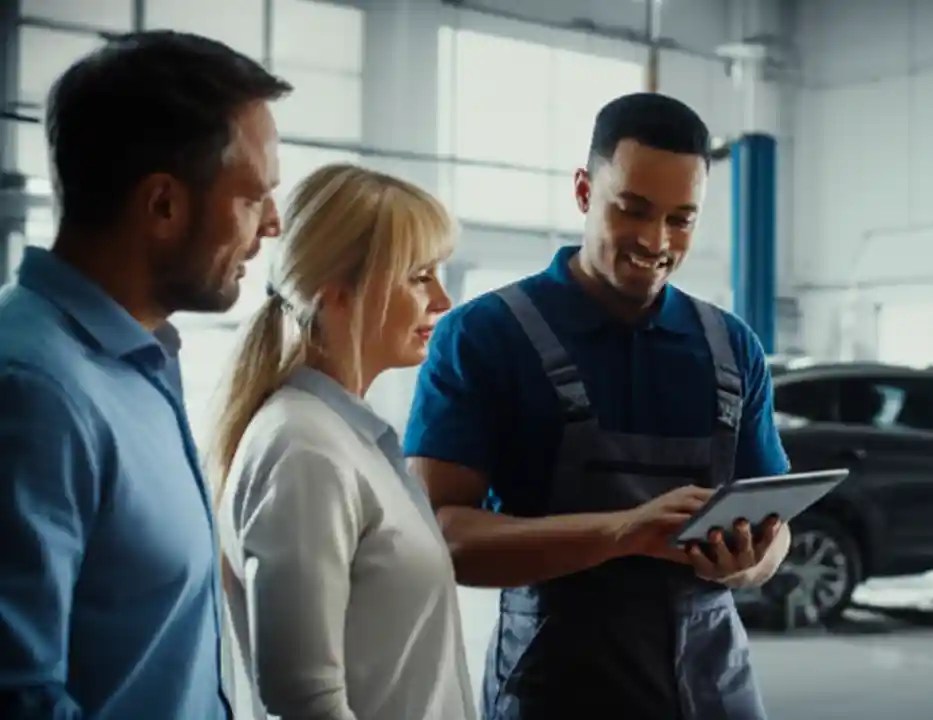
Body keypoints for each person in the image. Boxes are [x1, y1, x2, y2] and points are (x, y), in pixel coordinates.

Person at [405, 92, 793, 720]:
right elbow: (440, 536)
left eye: (681, 220)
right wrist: (623, 532)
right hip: (556, 692)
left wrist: (749, 566)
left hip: (713, 692)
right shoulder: (484, 336)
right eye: (632, 210)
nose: (656, 241)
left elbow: (777, 527)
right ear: (584, 192)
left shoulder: (731, 347)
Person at [0, 32, 289, 719]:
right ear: (163, 205)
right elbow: (18, 697)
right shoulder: (35, 390)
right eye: (254, 197)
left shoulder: (140, 363)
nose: (273, 225)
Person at [214, 164, 474, 720]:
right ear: (337, 295)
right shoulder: (303, 449)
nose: (443, 299)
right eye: (419, 277)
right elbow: (306, 703)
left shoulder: (343, 435)